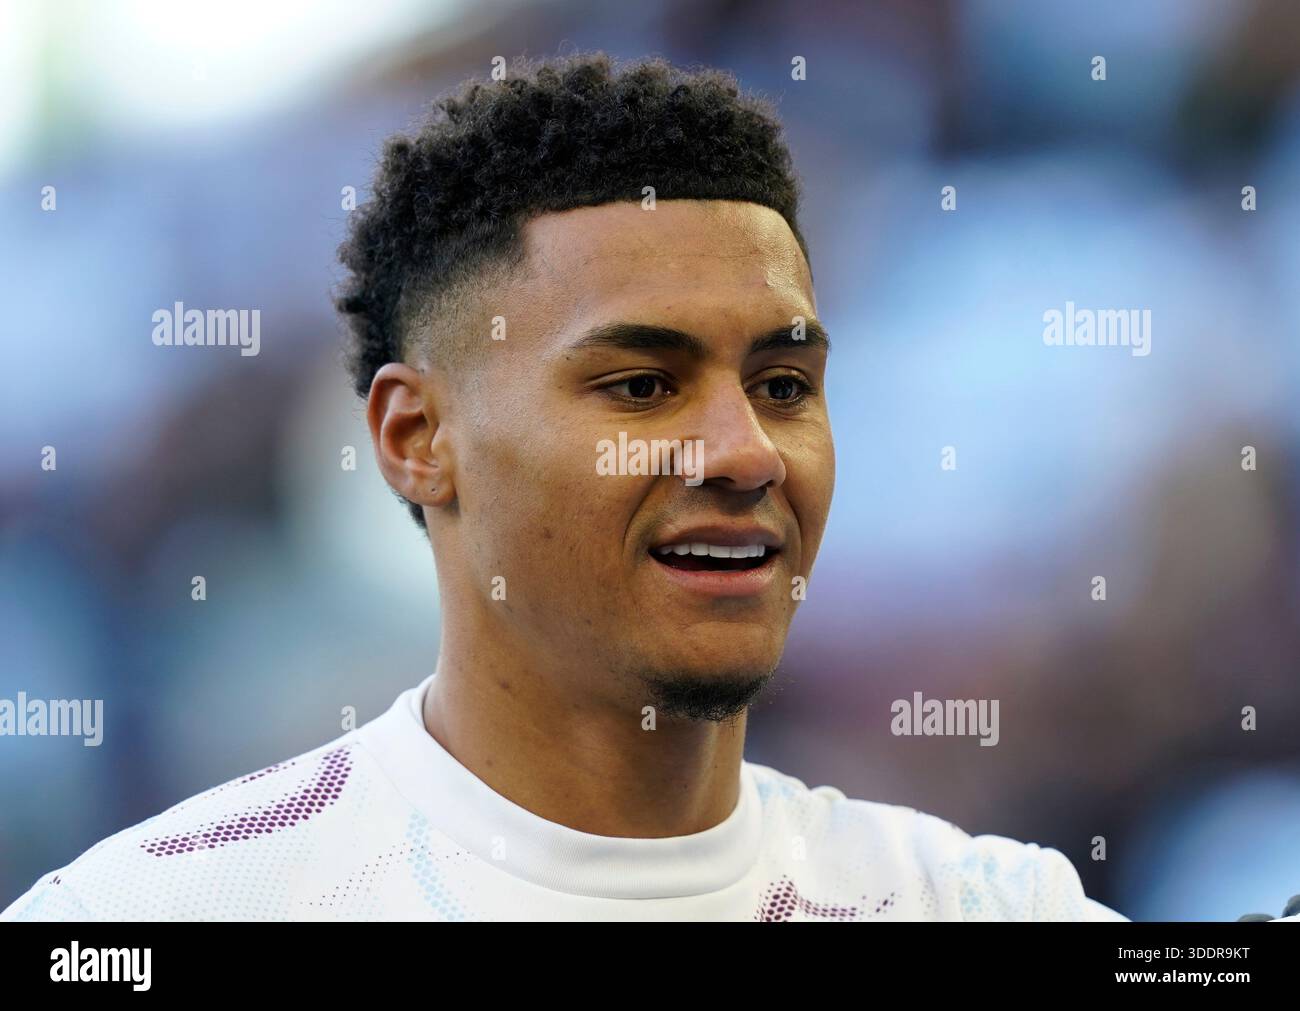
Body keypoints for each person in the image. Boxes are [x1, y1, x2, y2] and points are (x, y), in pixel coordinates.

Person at [1, 52, 1125, 922]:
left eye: (782, 384)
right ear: (415, 436)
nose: (746, 454)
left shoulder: (986, 907)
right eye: (642, 386)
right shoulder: (144, 921)